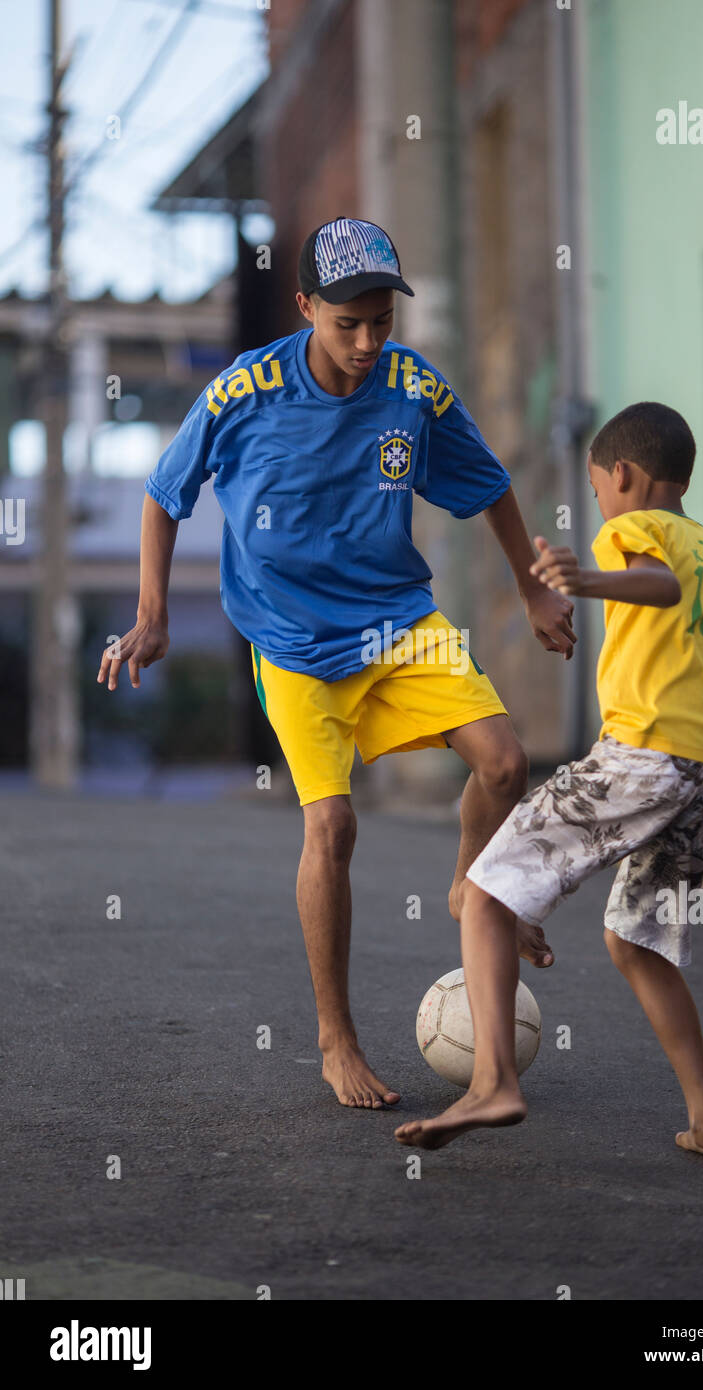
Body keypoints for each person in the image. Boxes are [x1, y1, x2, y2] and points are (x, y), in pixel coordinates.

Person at [96, 217, 576, 1111]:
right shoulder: (243, 393)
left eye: (380, 324)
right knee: (333, 832)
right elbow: (164, 498)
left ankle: (473, 884)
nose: (365, 343)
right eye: (346, 323)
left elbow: (491, 488)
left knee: (506, 763)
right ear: (306, 306)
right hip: (291, 640)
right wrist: (151, 617)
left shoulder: (413, 393)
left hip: (397, 619)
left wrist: (532, 590)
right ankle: (335, 1039)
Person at [395, 400, 703, 1157]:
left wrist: (582, 579)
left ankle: (491, 1083)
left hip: (644, 756)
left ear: (620, 475)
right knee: (637, 943)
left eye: (595, 490)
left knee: (482, 892)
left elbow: (656, 585)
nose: (599, 504)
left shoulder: (631, 531)